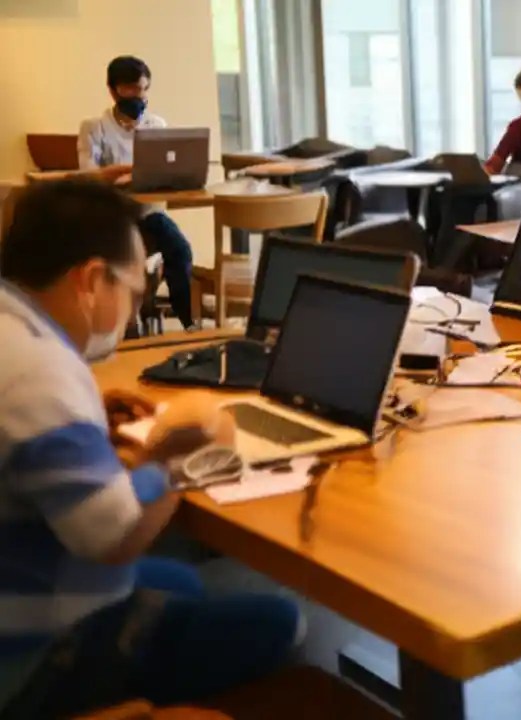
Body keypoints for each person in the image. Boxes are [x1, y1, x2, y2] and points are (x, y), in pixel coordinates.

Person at [0, 180, 301, 719]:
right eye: (134, 291)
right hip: (30, 665)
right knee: (281, 621)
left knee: (181, 579)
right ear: (92, 280)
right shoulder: (38, 375)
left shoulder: (15, 334)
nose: (135, 304)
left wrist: (88, 410)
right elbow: (114, 538)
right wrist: (186, 452)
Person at [78, 55, 197, 331]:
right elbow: (88, 175)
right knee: (124, 260)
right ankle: (128, 325)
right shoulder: (94, 127)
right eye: (131, 89)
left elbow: (167, 172)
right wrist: (129, 169)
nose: (139, 96)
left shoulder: (156, 125)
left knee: (179, 250)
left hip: (147, 211)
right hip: (112, 213)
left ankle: (186, 321)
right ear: (113, 90)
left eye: (144, 89)